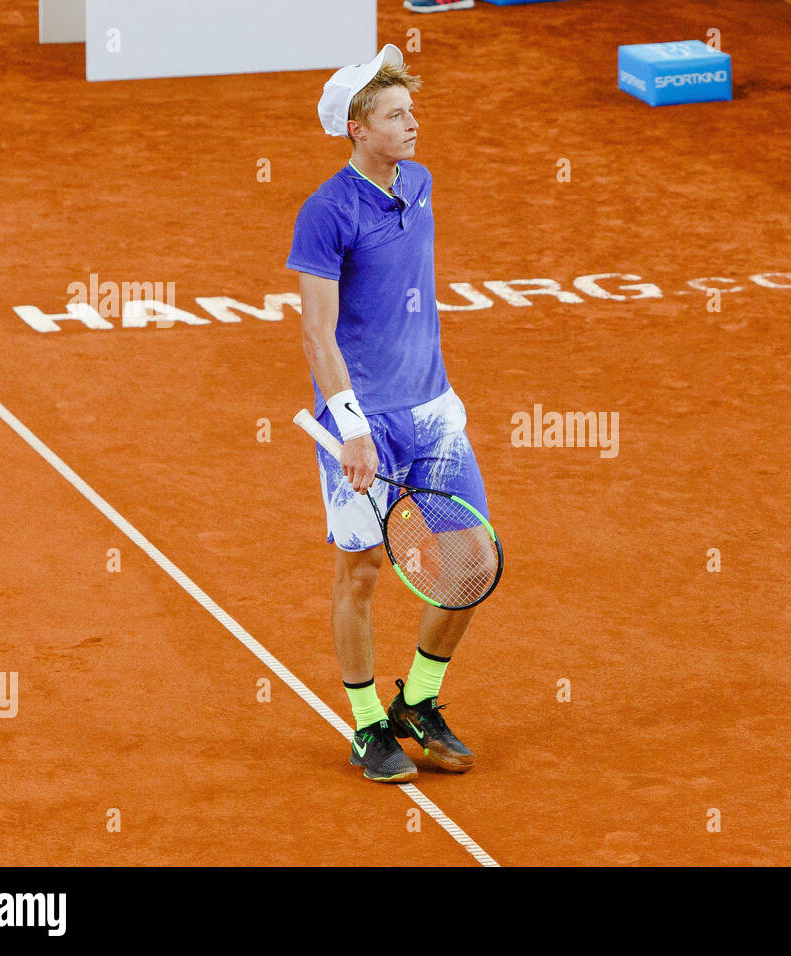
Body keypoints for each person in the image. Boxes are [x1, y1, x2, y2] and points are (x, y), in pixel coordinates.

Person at [286, 44, 491, 783]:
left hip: (434, 410)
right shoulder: (325, 212)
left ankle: (420, 702)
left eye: (412, 112)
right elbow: (316, 331)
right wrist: (351, 425)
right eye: (396, 115)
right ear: (356, 128)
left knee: (473, 564)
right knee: (364, 570)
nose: (412, 125)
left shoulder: (421, 183)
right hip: (361, 422)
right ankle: (368, 723)